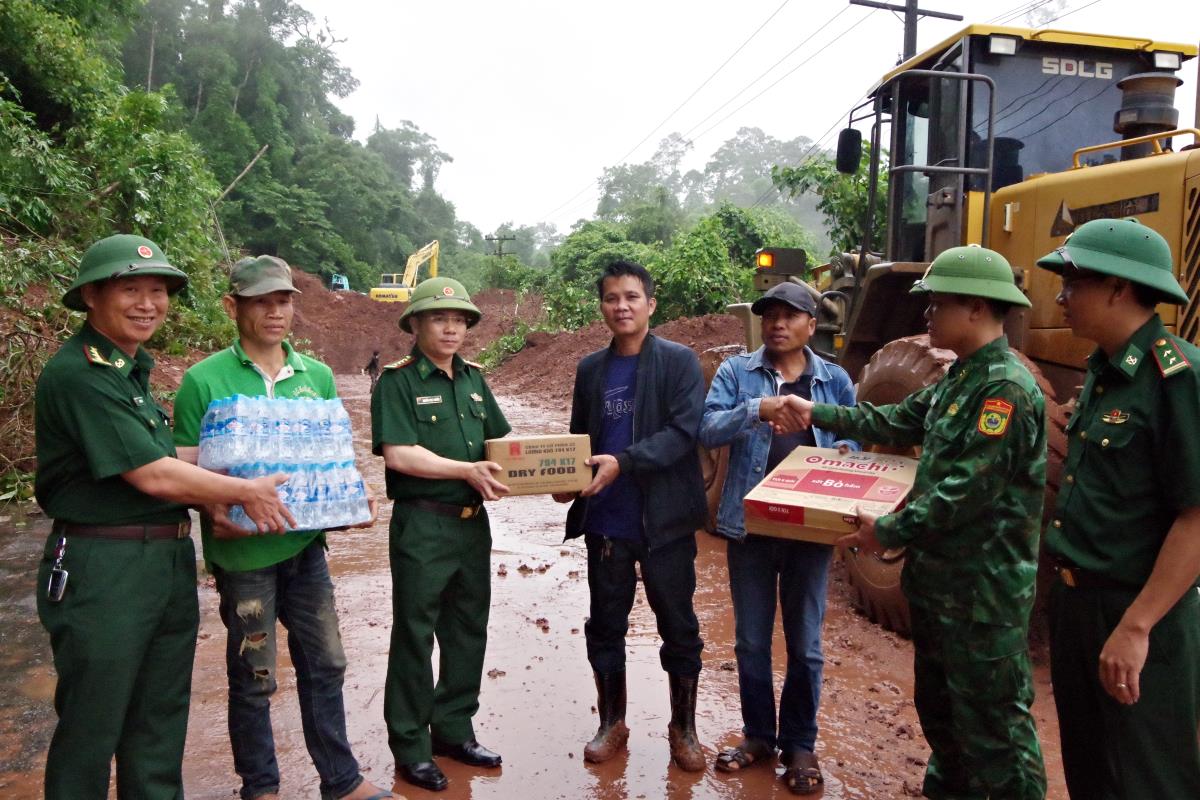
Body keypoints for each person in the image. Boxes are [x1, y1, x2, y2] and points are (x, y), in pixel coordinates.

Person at [34, 234, 295, 799]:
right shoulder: (81, 373)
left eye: (158, 290)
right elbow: (150, 475)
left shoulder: (129, 370)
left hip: (165, 560)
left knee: (159, 719)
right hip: (105, 567)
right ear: (92, 296)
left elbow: (168, 458)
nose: (148, 302)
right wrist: (241, 489)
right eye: (131, 289)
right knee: (93, 721)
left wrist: (277, 462)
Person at [787, 245, 1049, 799]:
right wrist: (819, 412)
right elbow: (894, 417)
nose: (927, 316)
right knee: (943, 714)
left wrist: (886, 531)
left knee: (995, 730)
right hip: (940, 590)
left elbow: (963, 493)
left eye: (937, 304)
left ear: (976, 308)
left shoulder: (1004, 389)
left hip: (982, 597)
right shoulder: (959, 380)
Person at [172, 255, 390, 800]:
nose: (275, 312)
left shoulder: (315, 376)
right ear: (232, 306)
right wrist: (212, 508)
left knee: (327, 663)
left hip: (306, 547)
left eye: (284, 300)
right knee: (255, 676)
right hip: (245, 559)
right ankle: (261, 788)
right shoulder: (203, 379)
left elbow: (333, 456)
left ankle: (341, 782)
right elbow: (182, 469)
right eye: (261, 301)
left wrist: (352, 495)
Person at [1035, 218, 1200, 798]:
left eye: (1074, 282)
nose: (1060, 296)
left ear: (1118, 289)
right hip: (1078, 606)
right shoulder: (1104, 373)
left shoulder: (1177, 377)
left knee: (1145, 775)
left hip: (1135, 613)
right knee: (1091, 770)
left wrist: (1137, 626)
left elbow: (1196, 517)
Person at [698, 282, 858, 794]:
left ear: (813, 325)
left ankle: (801, 743)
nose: (778, 323)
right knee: (750, 640)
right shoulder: (737, 372)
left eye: (791, 315)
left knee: (806, 645)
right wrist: (756, 411)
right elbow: (705, 429)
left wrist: (845, 456)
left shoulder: (833, 379)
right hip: (750, 528)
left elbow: (853, 436)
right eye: (769, 314)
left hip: (810, 529)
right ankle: (760, 737)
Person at [554, 260, 708, 771]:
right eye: (611, 298)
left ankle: (683, 728)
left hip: (664, 522)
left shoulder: (680, 362)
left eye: (631, 297)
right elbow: (581, 440)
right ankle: (612, 722)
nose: (621, 306)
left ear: (651, 304)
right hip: (607, 524)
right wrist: (566, 483)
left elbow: (684, 433)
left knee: (679, 628)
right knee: (605, 626)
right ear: (602, 305)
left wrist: (625, 462)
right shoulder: (590, 369)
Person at [371, 277, 511, 793]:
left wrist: (555, 473)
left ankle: (454, 730)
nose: (451, 327)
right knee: (414, 634)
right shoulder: (398, 381)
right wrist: (465, 471)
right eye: (438, 318)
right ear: (415, 324)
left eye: (459, 320)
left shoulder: (474, 379)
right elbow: (399, 453)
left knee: (467, 629)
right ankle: (410, 745)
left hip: (472, 526)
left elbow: (501, 443)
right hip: (423, 525)